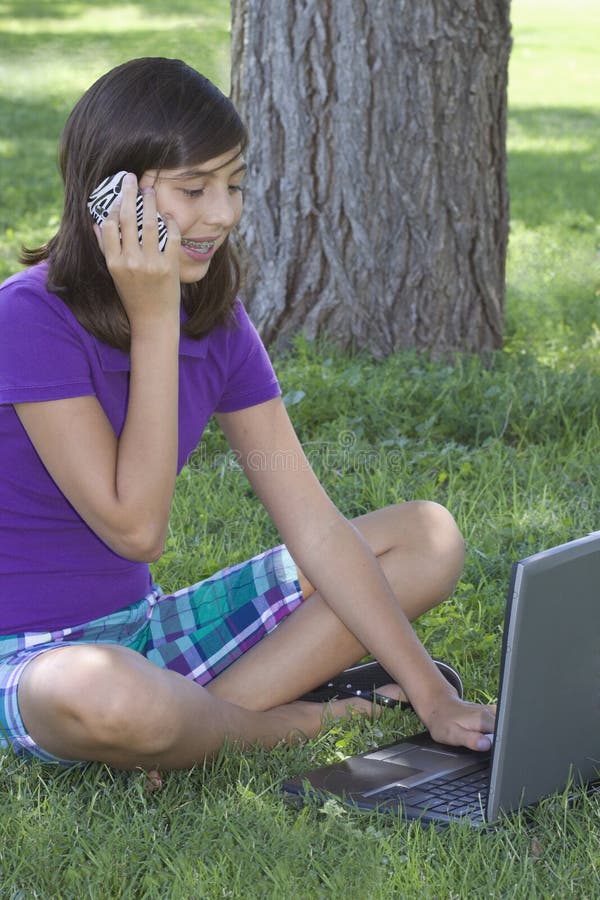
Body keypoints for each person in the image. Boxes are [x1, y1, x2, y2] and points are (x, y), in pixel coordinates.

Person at [0, 57, 495, 772]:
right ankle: (287, 721)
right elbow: (136, 529)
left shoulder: (219, 324)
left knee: (428, 538)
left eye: (233, 184)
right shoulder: (28, 319)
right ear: (110, 197)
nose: (224, 213)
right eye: (193, 189)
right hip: (35, 665)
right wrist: (155, 319)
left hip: (149, 634)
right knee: (109, 693)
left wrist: (433, 695)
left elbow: (314, 526)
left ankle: (198, 723)